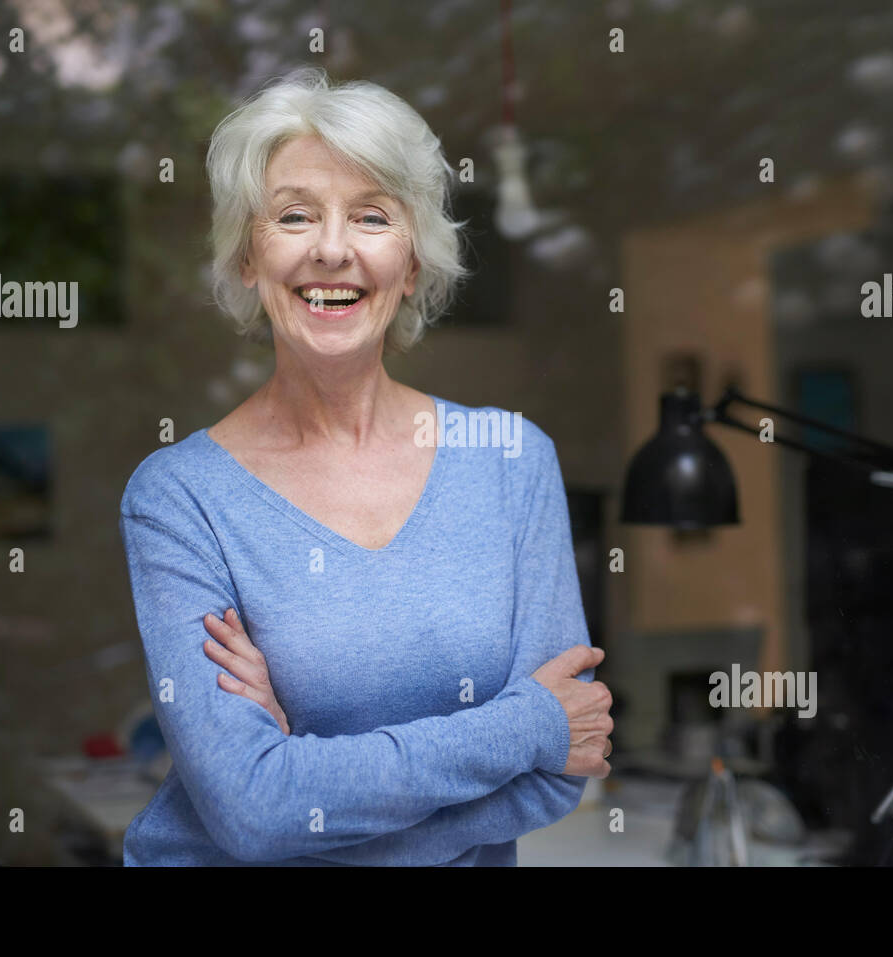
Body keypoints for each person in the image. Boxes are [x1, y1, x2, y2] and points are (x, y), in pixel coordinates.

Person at [118, 66, 613, 866]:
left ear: (413, 263)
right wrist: (525, 725)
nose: (334, 249)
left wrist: (302, 782)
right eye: (295, 216)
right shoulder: (180, 497)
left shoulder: (513, 463)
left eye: (373, 216)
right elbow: (251, 810)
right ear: (248, 257)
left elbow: (561, 776)